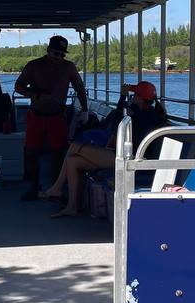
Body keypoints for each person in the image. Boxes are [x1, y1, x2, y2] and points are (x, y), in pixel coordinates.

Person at [41, 81, 168, 218]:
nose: (132, 98)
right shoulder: (148, 113)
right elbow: (118, 119)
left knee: (75, 147)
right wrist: (124, 100)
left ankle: (57, 188)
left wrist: (123, 98)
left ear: (138, 97)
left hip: (130, 160)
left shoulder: (144, 116)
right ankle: (71, 206)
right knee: (73, 161)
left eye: (134, 95)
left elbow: (117, 119)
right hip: (124, 154)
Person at [14, 35, 88, 201]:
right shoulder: (34, 66)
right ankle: (34, 186)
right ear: (48, 51)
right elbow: (18, 86)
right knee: (31, 152)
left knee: (58, 153)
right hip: (36, 115)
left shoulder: (68, 68)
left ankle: (57, 187)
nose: (59, 58)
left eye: (62, 54)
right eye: (56, 53)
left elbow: (80, 88)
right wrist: (36, 94)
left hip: (57, 116)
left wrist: (85, 110)